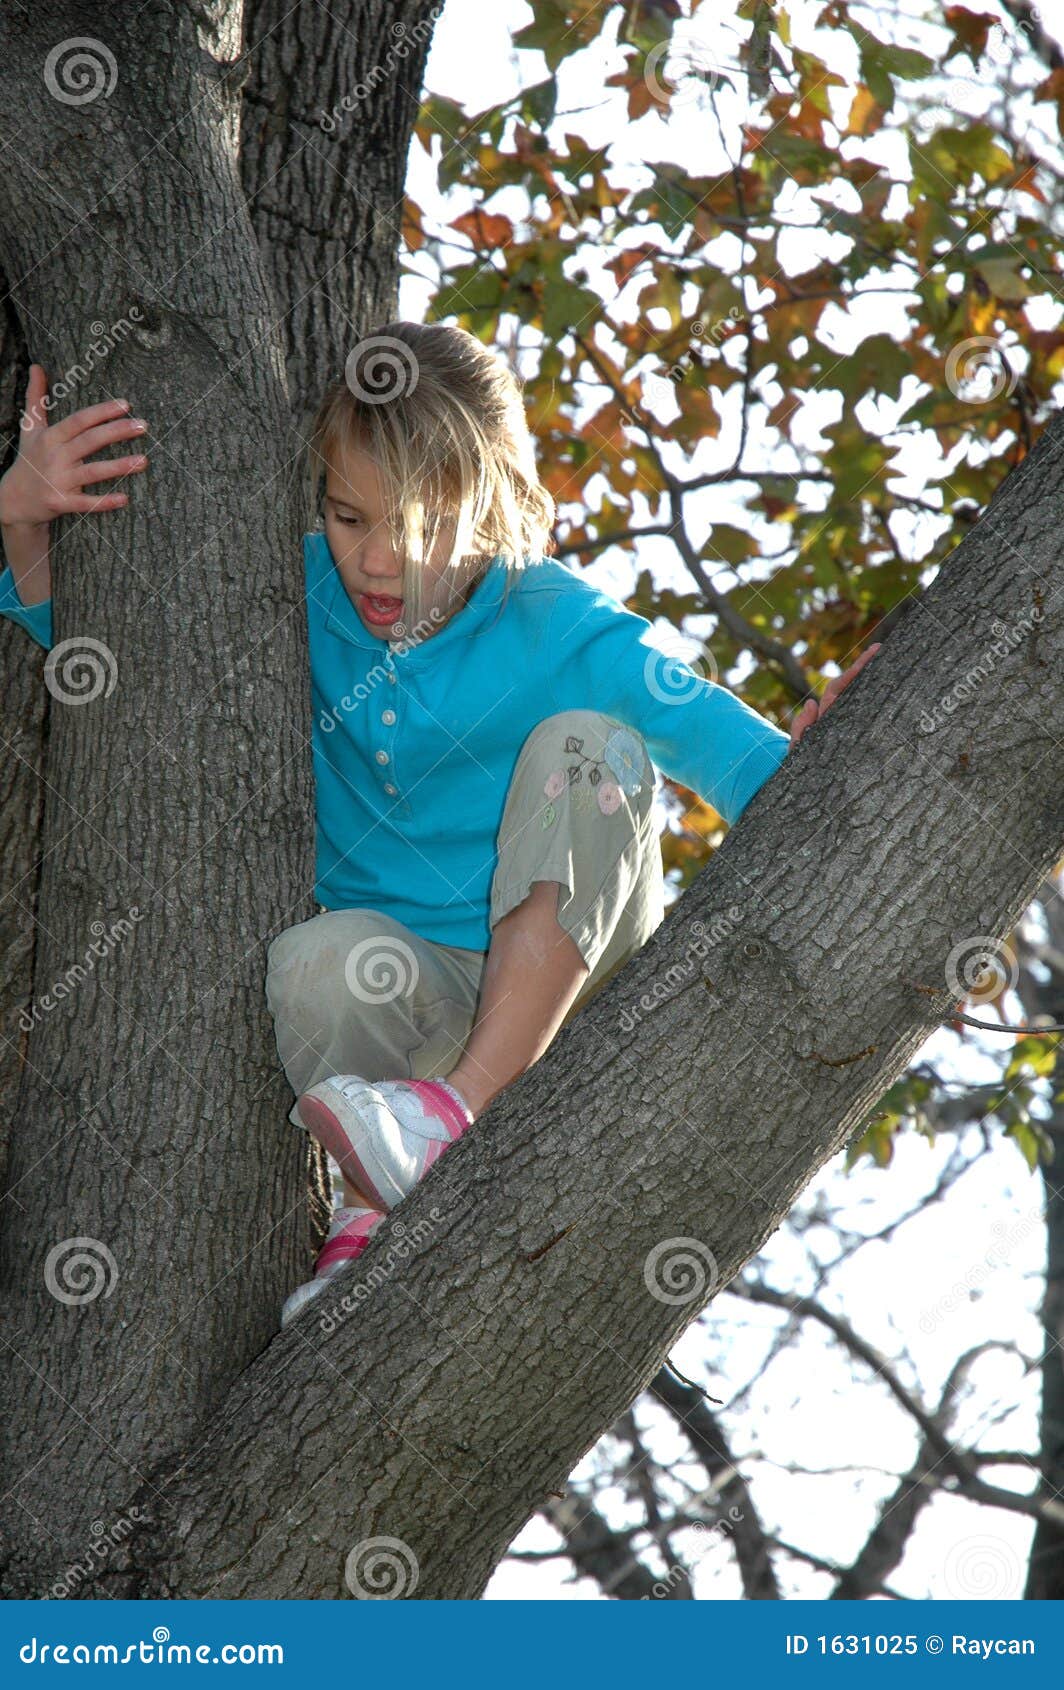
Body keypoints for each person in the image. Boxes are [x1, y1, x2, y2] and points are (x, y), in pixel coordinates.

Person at [0, 328, 878, 1328]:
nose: (378, 561)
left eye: (421, 526)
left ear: (492, 506)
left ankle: (453, 1113)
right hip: (414, 1001)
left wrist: (834, 749)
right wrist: (23, 517)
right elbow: (108, 642)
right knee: (313, 962)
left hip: (565, 975)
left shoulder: (559, 625)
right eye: (349, 516)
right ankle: (374, 1211)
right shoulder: (286, 593)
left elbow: (746, 766)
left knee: (588, 747)